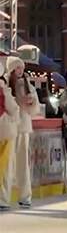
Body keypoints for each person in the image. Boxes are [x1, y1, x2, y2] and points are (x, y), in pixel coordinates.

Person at [0, 57, 40, 210]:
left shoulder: (28, 85)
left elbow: (34, 110)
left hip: (23, 128)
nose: (20, 70)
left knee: (23, 164)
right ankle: (3, 197)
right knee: (6, 165)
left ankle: (25, 196)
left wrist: (32, 103)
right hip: (8, 129)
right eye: (16, 68)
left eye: (21, 67)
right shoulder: (5, 85)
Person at [0, 76, 20, 211]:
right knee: (5, 167)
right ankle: (3, 199)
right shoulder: (3, 88)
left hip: (4, 130)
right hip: (4, 131)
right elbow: (13, 109)